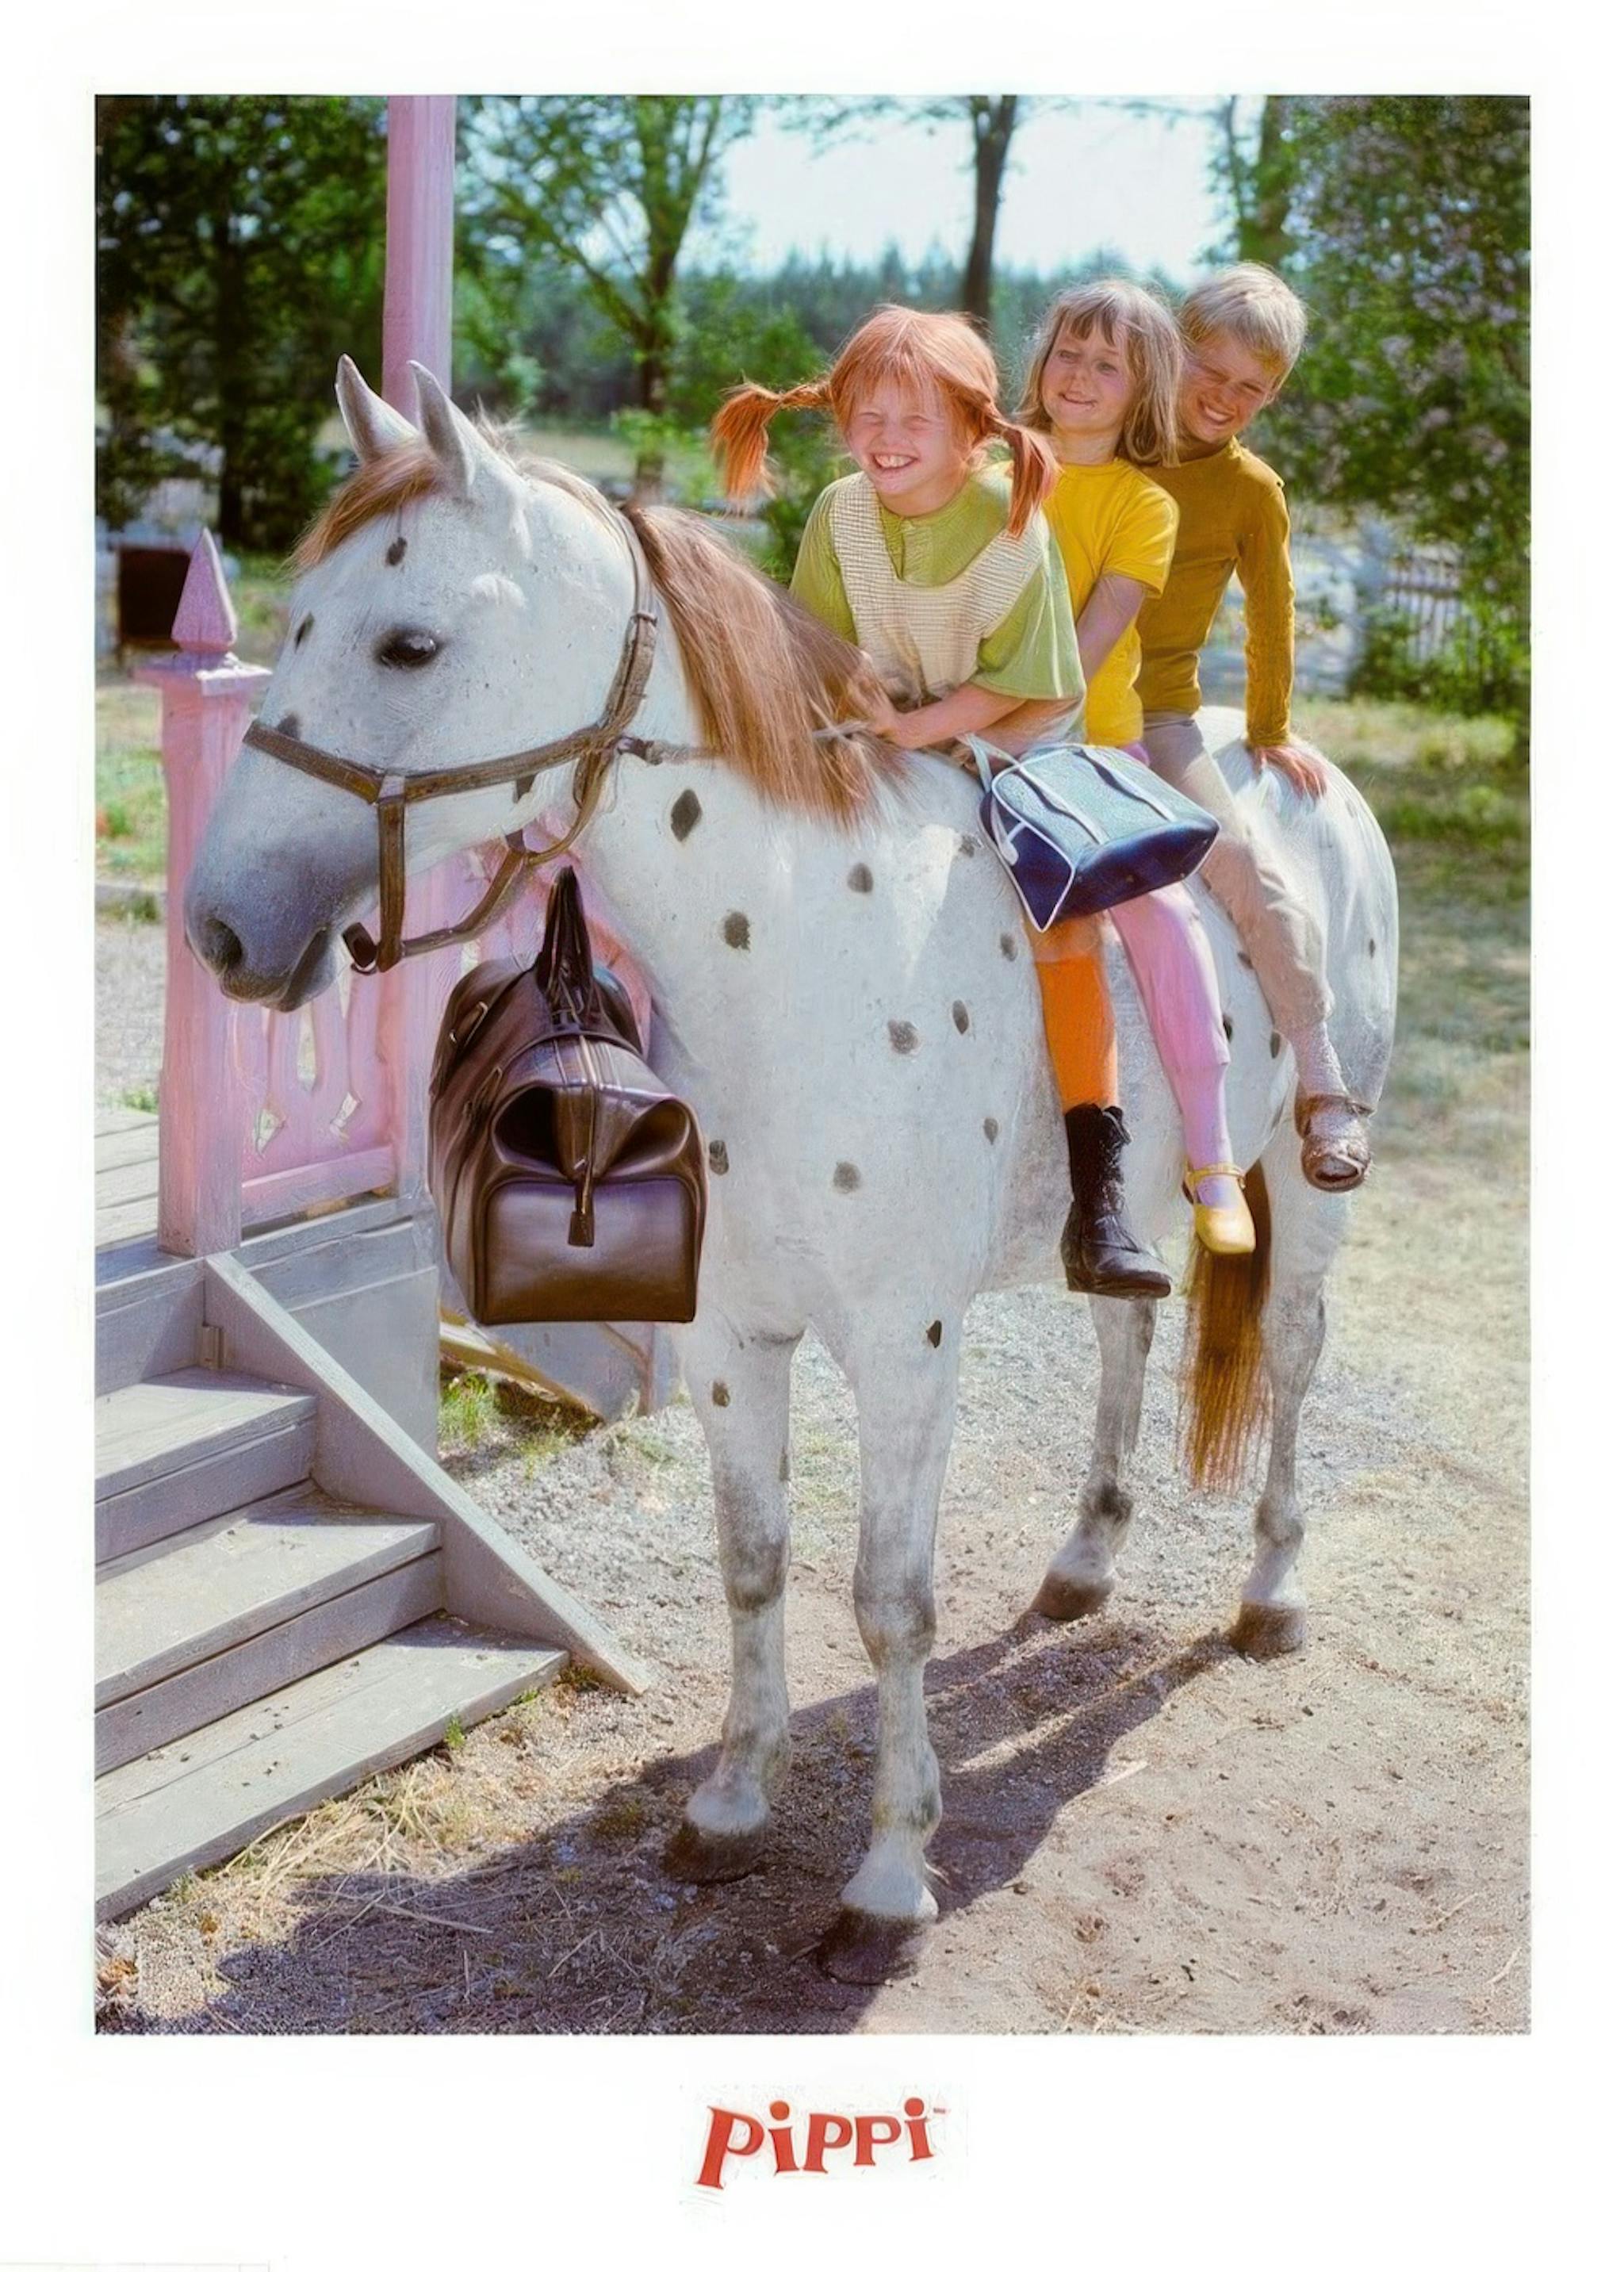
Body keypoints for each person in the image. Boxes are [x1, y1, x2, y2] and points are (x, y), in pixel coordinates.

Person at [710, 304, 1173, 1297]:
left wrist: (918, 732)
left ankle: (1098, 1199)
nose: (884, 439)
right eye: (867, 415)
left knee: (1063, 926)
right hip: (893, 719)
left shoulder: (1013, 524)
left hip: (1012, 733)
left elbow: (1023, 679)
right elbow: (822, 649)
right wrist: (856, 707)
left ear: (972, 433)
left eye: (914, 420)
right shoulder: (840, 513)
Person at [1018, 276, 1254, 1255]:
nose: (1078, 375)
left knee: (1161, 914)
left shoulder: (1141, 505)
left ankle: (1210, 1153)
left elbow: (1079, 651)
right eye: (1066, 353)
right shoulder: (990, 466)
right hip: (959, 736)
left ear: (1141, 386)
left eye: (1104, 364)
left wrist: (989, 723)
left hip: (1084, 753)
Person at [1136, 262, 1372, 1190]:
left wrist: (1268, 725)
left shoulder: (1249, 490)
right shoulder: (1102, 439)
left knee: (1241, 865)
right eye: (1211, 370)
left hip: (1154, 714)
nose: (1226, 399)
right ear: (1172, 349)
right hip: (1036, 697)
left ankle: (1320, 1081)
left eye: (1253, 389)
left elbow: (1269, 616)